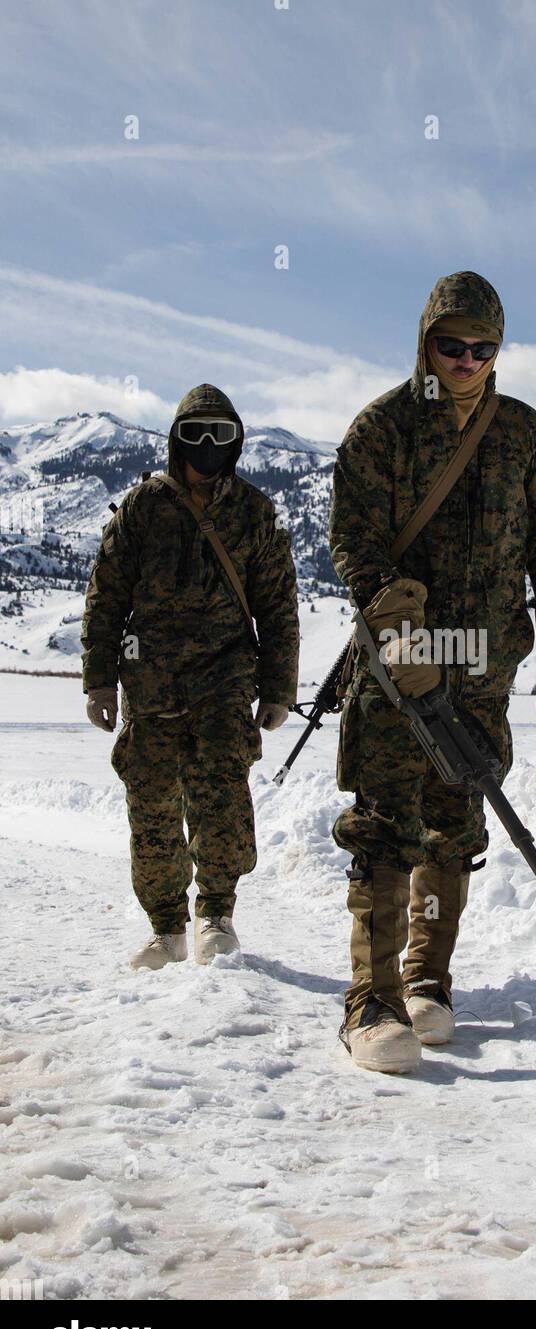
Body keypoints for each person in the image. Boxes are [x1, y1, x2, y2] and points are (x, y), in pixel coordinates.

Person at [329, 271, 536, 1073]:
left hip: (482, 667)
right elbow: (356, 541)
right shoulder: (381, 430)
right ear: (426, 343)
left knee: (455, 823)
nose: (468, 360)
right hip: (400, 667)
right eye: (453, 345)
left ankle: (427, 980)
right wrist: (398, 626)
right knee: (385, 827)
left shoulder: (524, 435)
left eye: (483, 348)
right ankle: (369, 1001)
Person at [82, 383, 299, 969]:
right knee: (150, 802)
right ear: (177, 439)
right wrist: (99, 682)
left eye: (220, 435)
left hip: (225, 678)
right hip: (149, 684)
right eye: (196, 434)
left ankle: (216, 915)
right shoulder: (141, 509)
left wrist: (279, 689)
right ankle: (165, 928)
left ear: (236, 443)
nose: (207, 446)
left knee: (222, 794)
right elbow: (105, 598)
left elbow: (278, 606)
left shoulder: (255, 513)